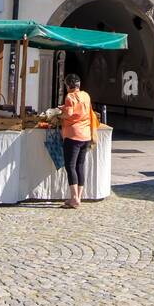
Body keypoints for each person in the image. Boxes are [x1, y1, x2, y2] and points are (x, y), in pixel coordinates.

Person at [60, 72, 94, 210]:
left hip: (73, 134)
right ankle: (78, 197)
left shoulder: (70, 96)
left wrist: (59, 114)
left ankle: (74, 198)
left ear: (69, 85)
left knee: (70, 166)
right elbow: (81, 110)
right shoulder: (86, 95)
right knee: (80, 165)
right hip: (86, 135)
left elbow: (68, 114)